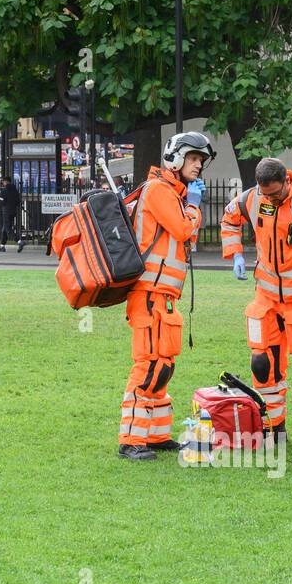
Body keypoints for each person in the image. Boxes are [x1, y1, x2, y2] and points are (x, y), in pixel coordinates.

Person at [118, 131, 214, 461]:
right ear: (175, 158)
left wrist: (189, 203)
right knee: (148, 366)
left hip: (164, 296)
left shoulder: (172, 193)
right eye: (193, 158)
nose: (198, 165)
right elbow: (183, 229)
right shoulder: (160, 190)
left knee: (164, 366)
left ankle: (156, 435)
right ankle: (130, 439)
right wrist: (193, 206)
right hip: (149, 294)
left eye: (201, 161)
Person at [219, 157, 292, 443]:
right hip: (266, 298)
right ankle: (272, 426)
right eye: (265, 193)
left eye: (275, 193)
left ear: (286, 181)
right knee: (262, 364)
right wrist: (236, 254)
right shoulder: (252, 199)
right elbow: (229, 218)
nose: (270, 198)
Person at [0, 174, 23, 253]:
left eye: (3, 182)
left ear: (5, 181)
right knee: (5, 228)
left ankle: (19, 241)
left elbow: (1, 202)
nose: (3, 183)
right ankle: (2, 246)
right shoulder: (15, 190)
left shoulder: (4, 190)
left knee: (8, 229)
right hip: (13, 211)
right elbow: (18, 201)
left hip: (6, 212)